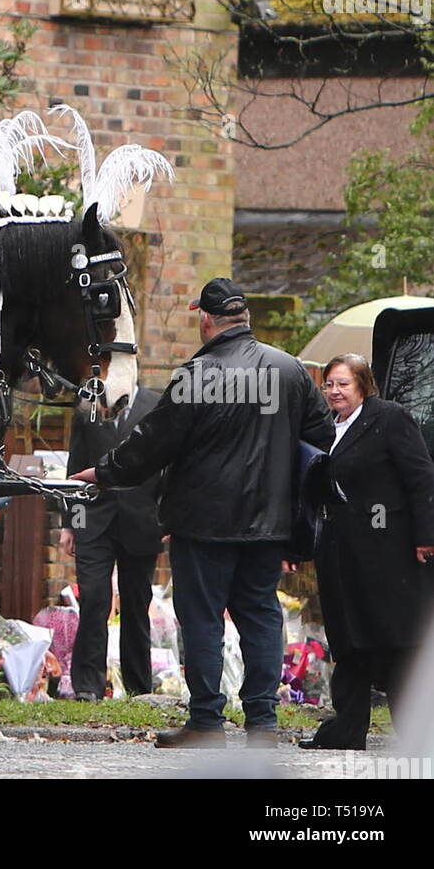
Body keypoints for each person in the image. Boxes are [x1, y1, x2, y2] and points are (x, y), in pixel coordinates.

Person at [72, 277, 334, 748]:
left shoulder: (195, 376)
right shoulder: (290, 369)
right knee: (260, 615)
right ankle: (263, 724)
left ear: (206, 319)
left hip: (203, 521)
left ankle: (207, 723)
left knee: (204, 620)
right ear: (245, 318)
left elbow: (154, 442)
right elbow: (320, 435)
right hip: (268, 522)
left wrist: (105, 471)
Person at [299, 353, 434, 751]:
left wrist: (426, 535)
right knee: (349, 641)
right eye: (329, 384)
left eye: (343, 383)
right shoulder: (328, 429)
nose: (334, 391)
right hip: (342, 556)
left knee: (396, 642)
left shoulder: (389, 419)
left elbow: (421, 477)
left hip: (387, 554)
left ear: (363, 385)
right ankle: (347, 729)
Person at [60, 380, 162, 700]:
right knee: (93, 598)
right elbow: (75, 466)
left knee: (136, 603)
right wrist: (70, 523)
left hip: (142, 520)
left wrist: (168, 516)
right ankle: (88, 686)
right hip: (93, 519)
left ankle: (137, 686)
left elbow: (169, 466)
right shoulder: (86, 407)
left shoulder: (157, 405)